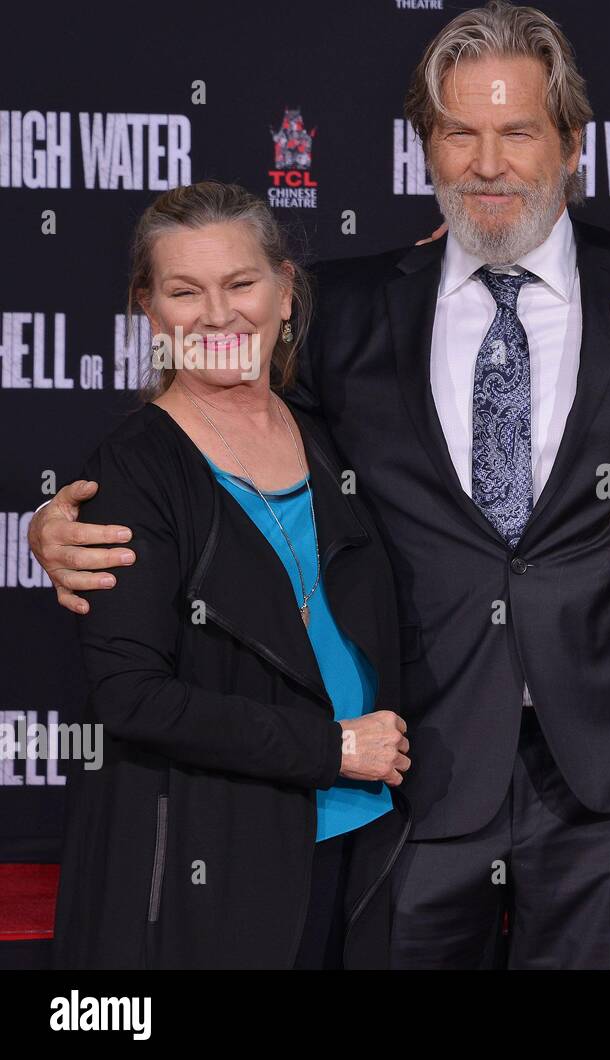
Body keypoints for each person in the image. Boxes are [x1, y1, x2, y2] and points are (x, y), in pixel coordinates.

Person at [32, 1, 610, 969]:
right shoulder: (341, 311)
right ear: (426, 147)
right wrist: (62, 517)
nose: (488, 162)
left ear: (573, 143)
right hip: (415, 769)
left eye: (517, 132)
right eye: (459, 133)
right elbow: (205, 423)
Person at [50, 181, 411, 969]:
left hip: (364, 837)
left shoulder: (328, 431)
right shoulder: (133, 471)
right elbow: (131, 697)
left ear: (285, 291)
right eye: (185, 291)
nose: (218, 315)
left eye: (241, 284)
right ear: (149, 309)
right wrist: (329, 748)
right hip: (217, 865)